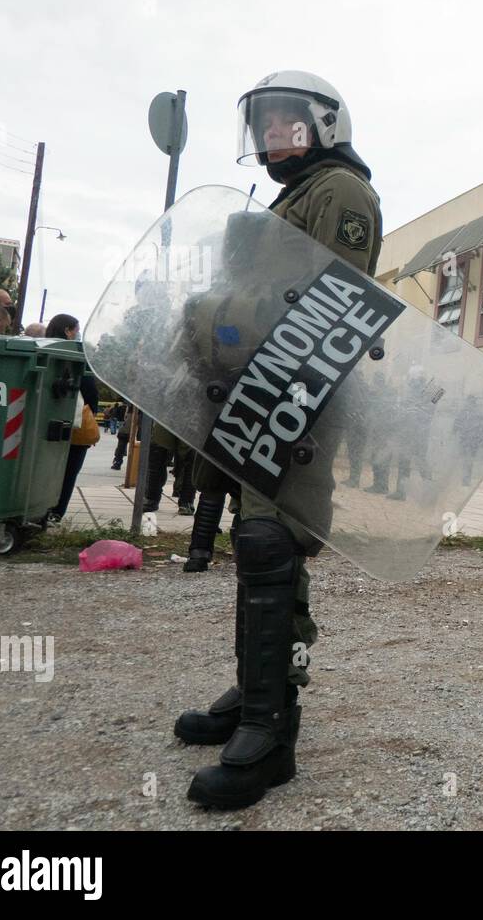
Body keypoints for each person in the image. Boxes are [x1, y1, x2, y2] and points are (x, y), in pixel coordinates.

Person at [175, 71, 382, 810]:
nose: (272, 136)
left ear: (324, 124)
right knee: (255, 543)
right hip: (261, 395)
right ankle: (251, 690)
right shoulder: (290, 199)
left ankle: (271, 735)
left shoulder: (340, 195)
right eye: (263, 125)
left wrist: (213, 319)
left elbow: (332, 303)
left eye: (287, 123)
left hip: (302, 400)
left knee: (273, 545)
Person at [44, 315, 100, 524]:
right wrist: (90, 415)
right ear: (68, 330)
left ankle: (38, 508)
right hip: (72, 423)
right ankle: (56, 512)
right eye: (76, 330)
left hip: (43, 423)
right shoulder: (73, 354)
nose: (77, 334)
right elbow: (90, 391)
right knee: (69, 471)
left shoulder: (43, 348)